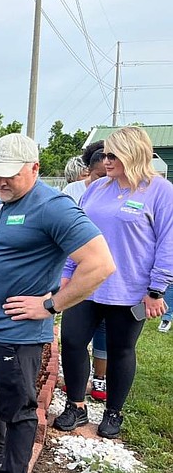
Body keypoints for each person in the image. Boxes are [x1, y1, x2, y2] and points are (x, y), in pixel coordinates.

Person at [0, 133, 114, 473]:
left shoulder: (54, 208)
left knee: (18, 408)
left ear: (35, 169)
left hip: (15, 334)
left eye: (9, 175)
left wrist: (49, 305)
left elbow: (100, 264)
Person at [55, 126, 173, 439]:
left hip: (130, 289)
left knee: (121, 350)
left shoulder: (160, 191)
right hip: (86, 285)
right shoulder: (96, 189)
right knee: (72, 340)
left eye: (113, 155)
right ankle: (76, 406)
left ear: (134, 154)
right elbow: (78, 234)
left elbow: (168, 242)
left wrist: (157, 289)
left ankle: (113, 412)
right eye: (105, 155)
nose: (105, 161)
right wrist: (67, 273)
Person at [61, 148, 109, 400]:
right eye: (100, 173)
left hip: (109, 274)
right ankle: (76, 387)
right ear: (88, 171)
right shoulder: (74, 193)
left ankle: (100, 380)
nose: (104, 178)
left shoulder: (120, 190)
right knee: (74, 335)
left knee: (104, 330)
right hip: (78, 271)